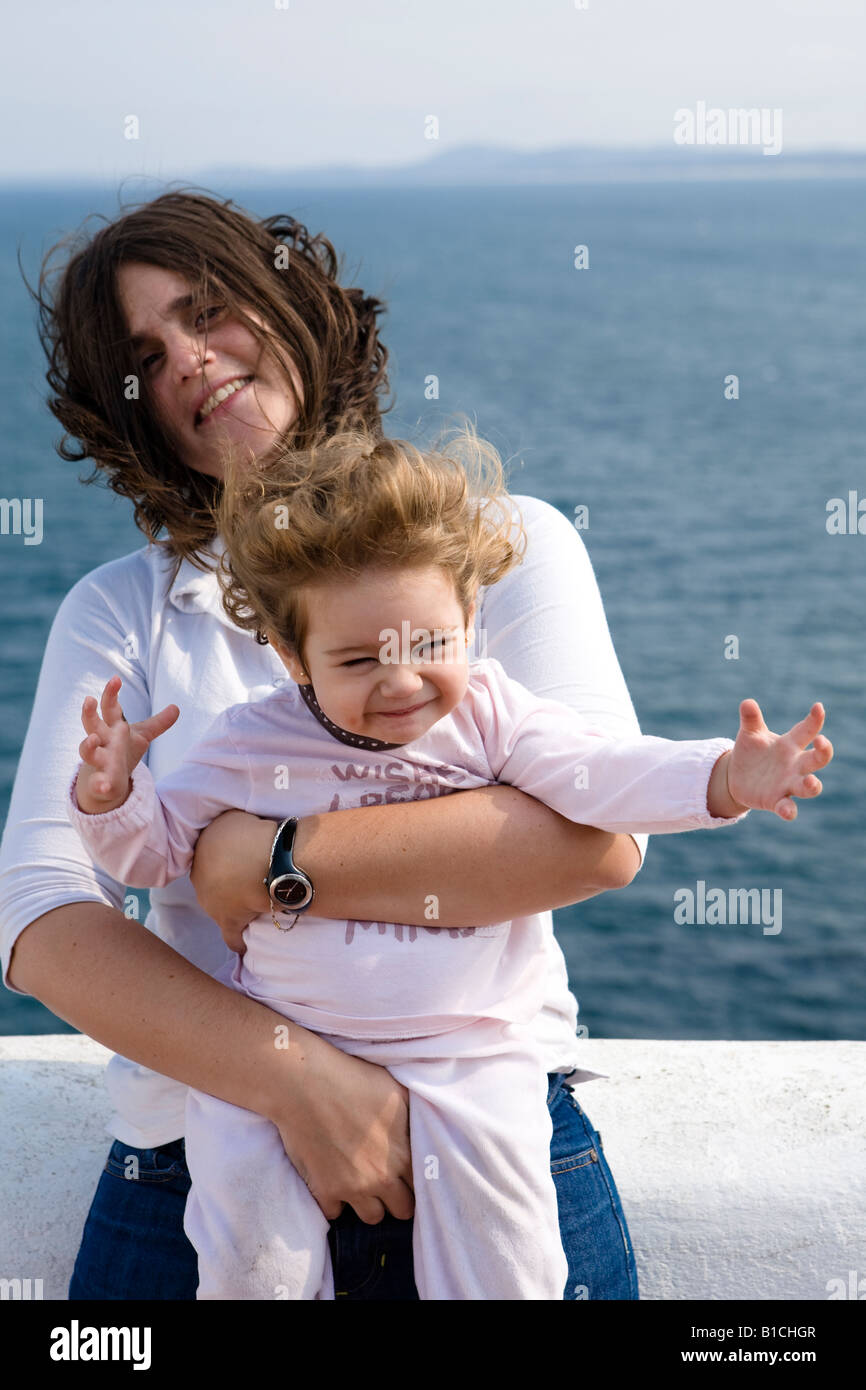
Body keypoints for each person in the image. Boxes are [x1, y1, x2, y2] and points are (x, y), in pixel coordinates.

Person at [2, 190, 653, 1301]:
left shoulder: (501, 546)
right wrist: (302, 1084)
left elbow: (591, 839)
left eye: (210, 311)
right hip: (186, 1175)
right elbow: (43, 921)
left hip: (491, 1138)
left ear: (289, 300)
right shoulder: (120, 612)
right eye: (146, 355)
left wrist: (260, 862)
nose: (191, 361)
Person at [66, 428, 831, 1299]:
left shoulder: (497, 718)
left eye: (430, 646)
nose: (400, 683)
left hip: (473, 1051)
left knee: (508, 1263)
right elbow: (156, 852)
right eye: (357, 660)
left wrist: (727, 777)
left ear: (470, 618)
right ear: (291, 656)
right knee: (249, 1248)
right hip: (281, 1049)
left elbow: (605, 783)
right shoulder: (249, 738)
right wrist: (112, 792)